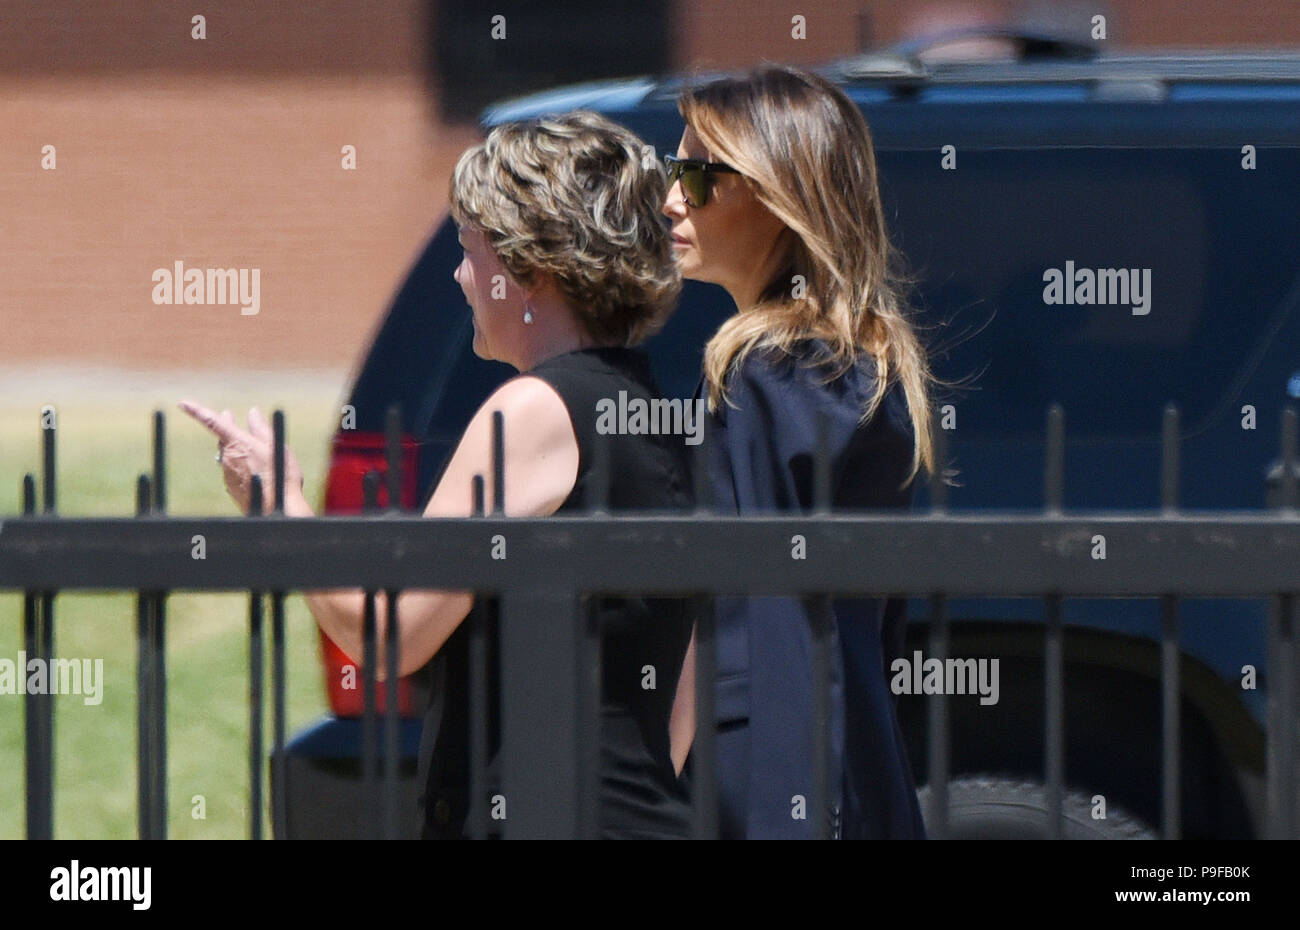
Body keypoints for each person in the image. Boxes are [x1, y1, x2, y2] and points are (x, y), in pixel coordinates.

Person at [180, 109, 698, 839]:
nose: (460, 275)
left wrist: (278, 507)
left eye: (470, 247)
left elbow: (389, 634)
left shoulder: (533, 411)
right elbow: (683, 696)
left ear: (530, 268)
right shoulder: (659, 416)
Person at [662, 65, 938, 839]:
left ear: (771, 189)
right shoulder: (868, 363)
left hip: (766, 759)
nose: (670, 196)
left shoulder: (761, 368)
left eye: (694, 172)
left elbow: (749, 605)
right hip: (853, 749)